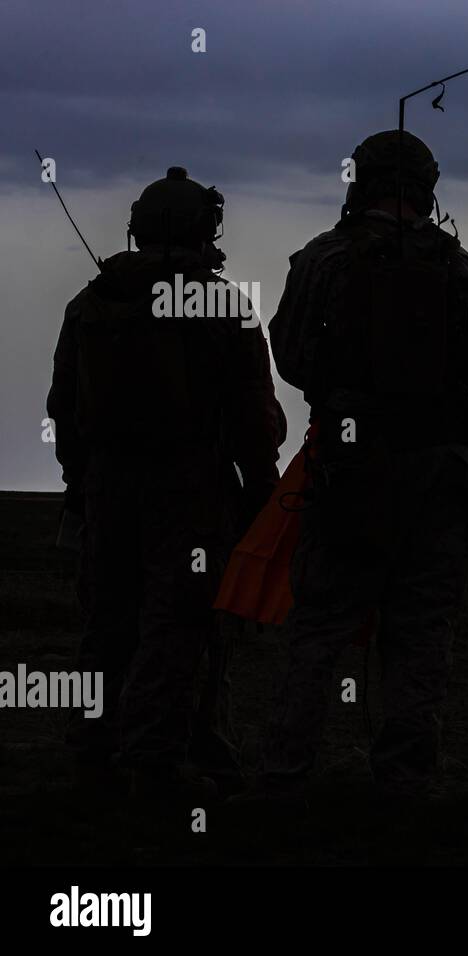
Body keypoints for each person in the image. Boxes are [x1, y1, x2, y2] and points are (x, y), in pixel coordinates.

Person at [261, 129, 468, 798]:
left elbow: (294, 358)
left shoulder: (323, 258)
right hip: (442, 479)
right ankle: (405, 780)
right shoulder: (461, 269)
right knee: (420, 632)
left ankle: (285, 777)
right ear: (428, 185)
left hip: (349, 473)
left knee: (318, 629)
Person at [47, 166, 285, 799]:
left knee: (107, 626)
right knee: (177, 630)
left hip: (107, 490)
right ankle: (154, 766)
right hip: (192, 494)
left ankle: (94, 755)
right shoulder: (221, 306)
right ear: (206, 228)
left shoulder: (90, 303)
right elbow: (254, 419)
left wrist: (84, 485)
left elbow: (62, 407)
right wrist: (263, 493)